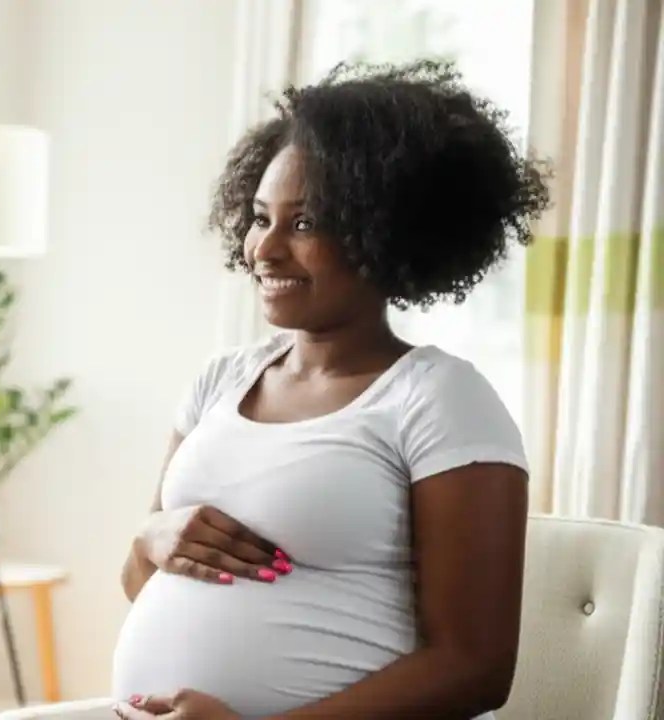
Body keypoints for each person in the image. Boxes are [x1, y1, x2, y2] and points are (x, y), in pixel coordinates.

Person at [112, 61, 550, 720]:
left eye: (306, 223)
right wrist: (151, 537)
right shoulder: (219, 381)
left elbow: (475, 668)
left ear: (384, 233)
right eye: (261, 218)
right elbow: (139, 582)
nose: (265, 249)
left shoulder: (441, 401)